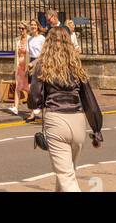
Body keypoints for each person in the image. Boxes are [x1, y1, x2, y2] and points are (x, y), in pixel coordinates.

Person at [27, 25, 103, 192]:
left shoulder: (42, 65)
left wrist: (37, 104)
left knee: (66, 175)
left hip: (56, 121)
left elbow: (34, 99)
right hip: (78, 121)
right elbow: (89, 99)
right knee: (67, 172)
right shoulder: (76, 66)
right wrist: (96, 129)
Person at [27, 16, 47, 118]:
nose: (33, 26)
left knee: (38, 89)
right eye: (32, 25)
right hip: (30, 62)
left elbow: (43, 54)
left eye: (35, 25)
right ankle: (32, 113)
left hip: (38, 62)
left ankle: (43, 111)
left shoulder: (42, 38)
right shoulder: (29, 38)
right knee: (30, 89)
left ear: (38, 26)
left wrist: (33, 63)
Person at [11, 22, 31, 115]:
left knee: (28, 88)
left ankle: (32, 109)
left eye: (22, 28)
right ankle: (15, 107)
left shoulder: (30, 39)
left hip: (27, 65)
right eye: (19, 28)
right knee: (18, 87)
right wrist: (15, 68)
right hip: (19, 66)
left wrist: (30, 67)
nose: (21, 30)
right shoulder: (17, 40)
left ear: (27, 29)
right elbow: (16, 55)